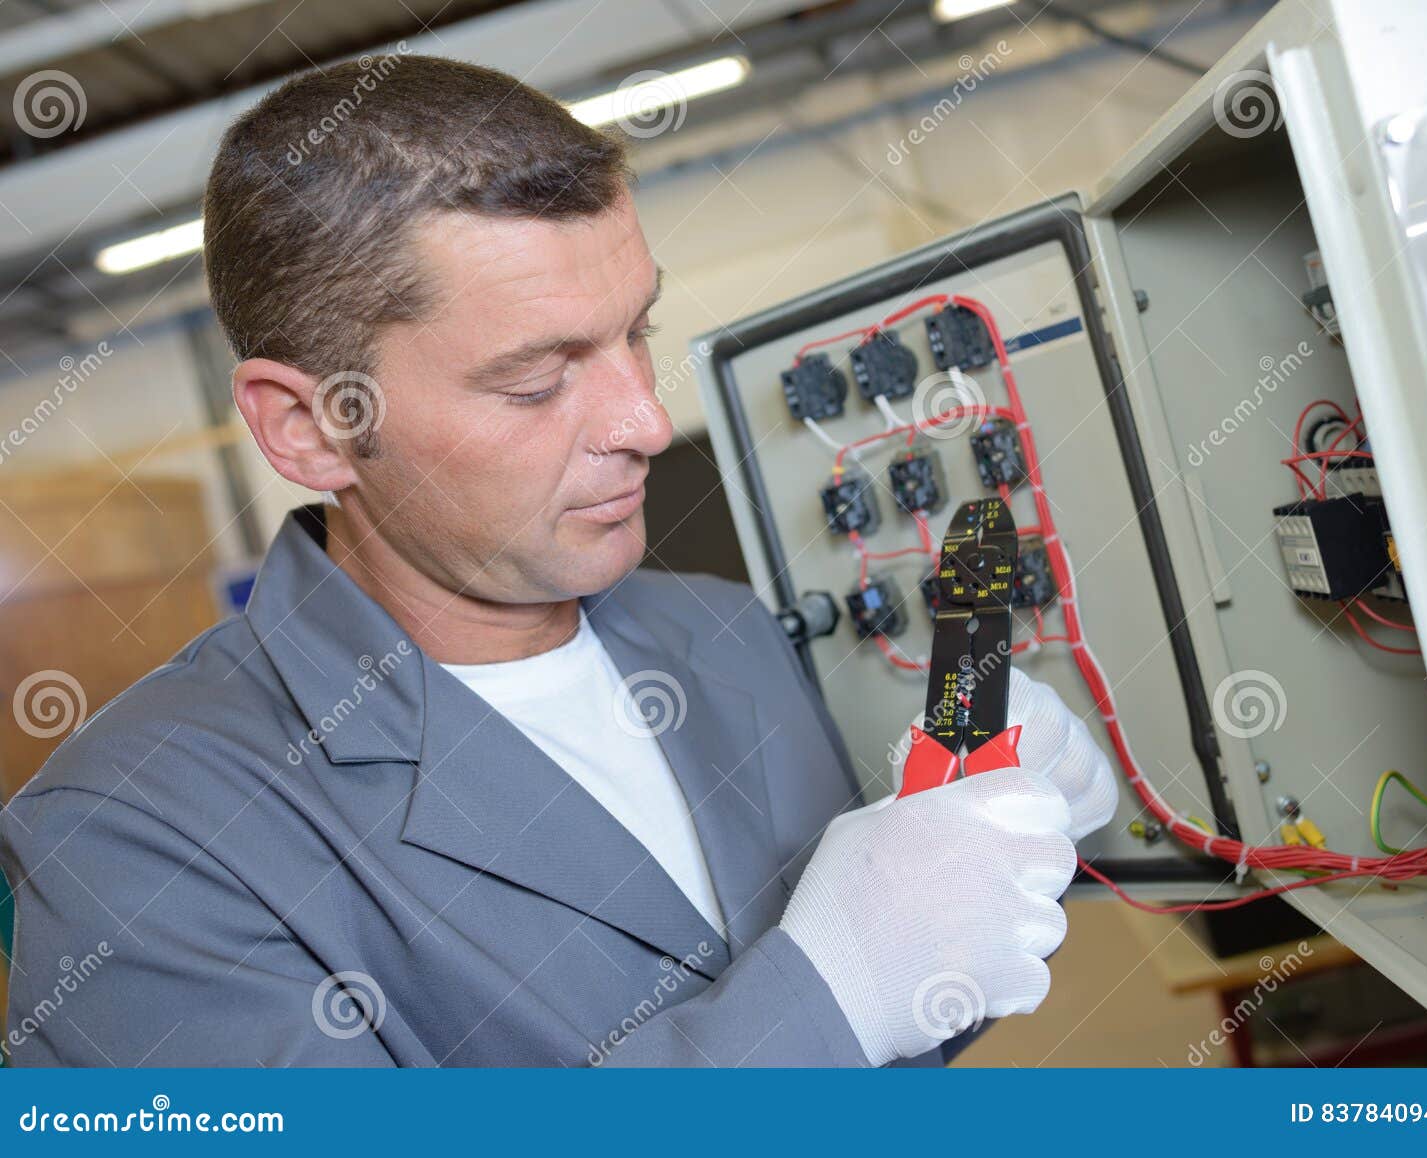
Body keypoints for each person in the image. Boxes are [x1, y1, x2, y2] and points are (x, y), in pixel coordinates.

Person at [0, 56, 1117, 1067]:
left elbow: (879, 1041)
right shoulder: (134, 842)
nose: (642, 418)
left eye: (635, 331)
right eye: (536, 380)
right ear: (308, 427)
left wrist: (954, 903)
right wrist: (827, 997)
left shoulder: (720, 636)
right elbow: (825, 1008)